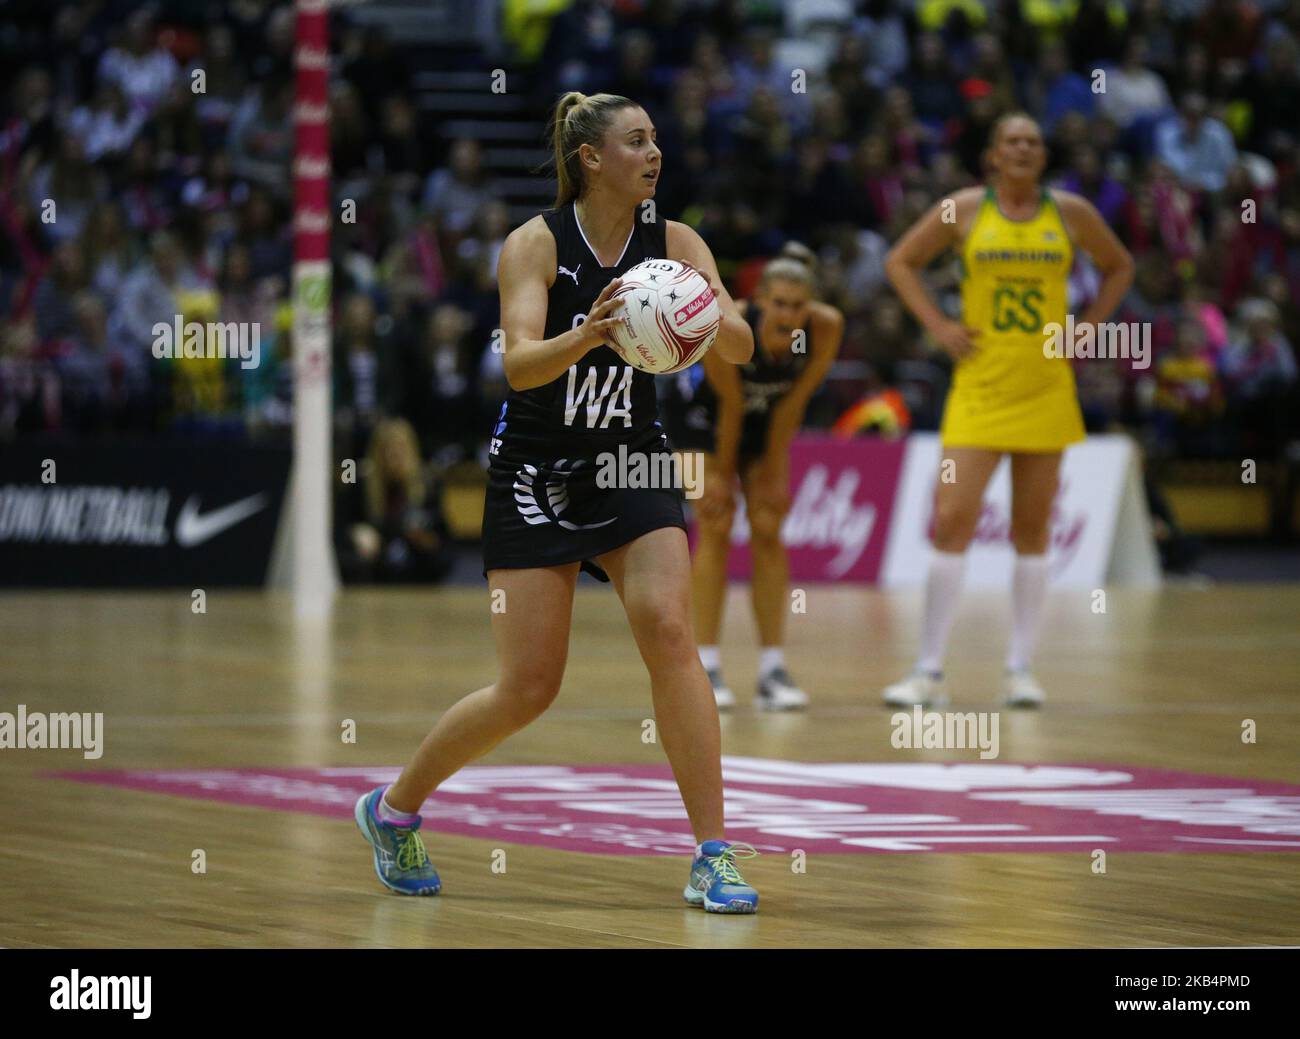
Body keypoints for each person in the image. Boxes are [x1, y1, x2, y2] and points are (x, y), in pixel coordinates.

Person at [355, 92, 764, 913]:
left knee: (672, 630)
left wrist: (703, 314)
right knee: (529, 687)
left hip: (634, 462)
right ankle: (392, 809)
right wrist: (592, 332)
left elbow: (746, 346)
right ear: (591, 158)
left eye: (656, 140)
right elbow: (518, 364)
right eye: (637, 142)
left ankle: (713, 853)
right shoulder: (534, 245)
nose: (655, 154)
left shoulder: (677, 242)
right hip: (537, 469)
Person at [881, 112, 1134, 707]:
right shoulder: (964, 208)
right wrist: (939, 325)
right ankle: (929, 672)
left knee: (1033, 528)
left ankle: (1021, 668)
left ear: (1043, 156)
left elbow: (1119, 266)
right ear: (993, 155)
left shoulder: (1070, 213)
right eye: (1012, 141)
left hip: (1046, 385)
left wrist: (1089, 329)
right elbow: (900, 261)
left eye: (1033, 141)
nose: (1023, 148)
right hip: (979, 385)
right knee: (951, 519)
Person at [673, 244, 842, 709]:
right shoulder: (729, 329)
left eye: (797, 305)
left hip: (763, 421)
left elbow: (792, 403)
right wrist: (725, 478)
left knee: (769, 525)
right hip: (700, 424)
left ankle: (772, 670)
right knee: (717, 520)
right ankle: (706, 664)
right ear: (760, 299)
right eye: (779, 303)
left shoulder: (825, 328)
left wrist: (771, 470)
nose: (788, 314)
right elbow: (728, 405)